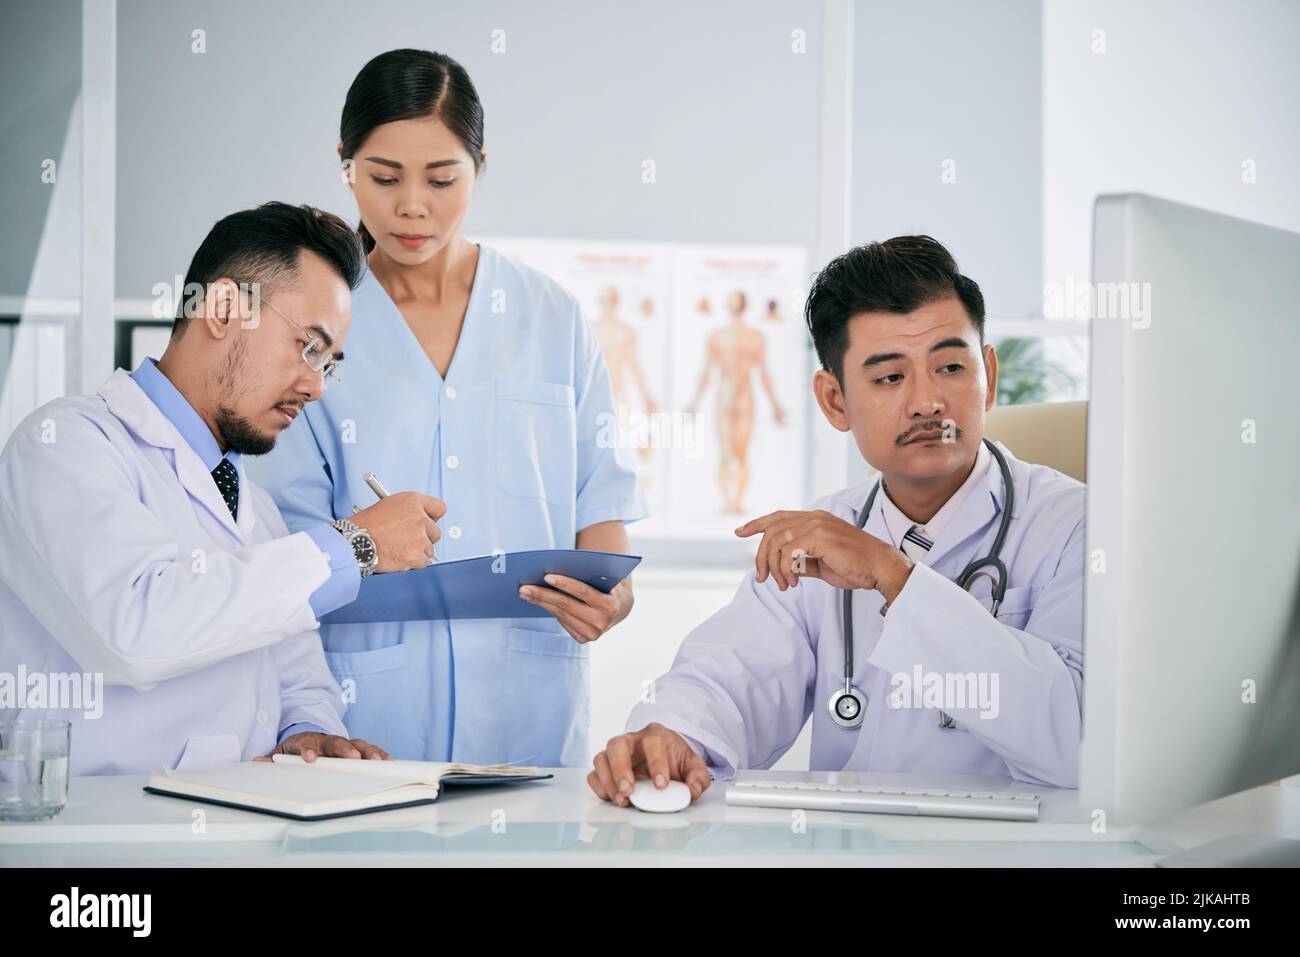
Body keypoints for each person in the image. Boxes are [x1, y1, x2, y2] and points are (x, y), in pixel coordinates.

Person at [249, 49, 647, 767]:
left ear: (480, 165)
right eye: (382, 176)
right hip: (362, 721)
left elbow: (601, 508)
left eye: (441, 178)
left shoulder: (550, 317)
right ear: (344, 162)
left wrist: (612, 600)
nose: (411, 206)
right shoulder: (314, 325)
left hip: (529, 716)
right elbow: (284, 546)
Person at [588, 236, 1086, 806]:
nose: (927, 403)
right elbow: (733, 673)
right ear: (834, 402)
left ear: (988, 374)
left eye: (951, 367)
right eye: (890, 378)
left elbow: (1074, 741)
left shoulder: (1073, 527)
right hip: (850, 850)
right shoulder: (821, 533)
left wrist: (894, 577)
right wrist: (675, 733)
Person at [0, 202, 439, 774]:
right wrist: (356, 545)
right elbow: (137, 630)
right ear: (223, 308)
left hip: (229, 835)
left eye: (329, 365)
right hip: (93, 841)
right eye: (310, 347)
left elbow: (295, 672)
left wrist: (306, 730)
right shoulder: (63, 445)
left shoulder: (252, 506)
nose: (315, 387)